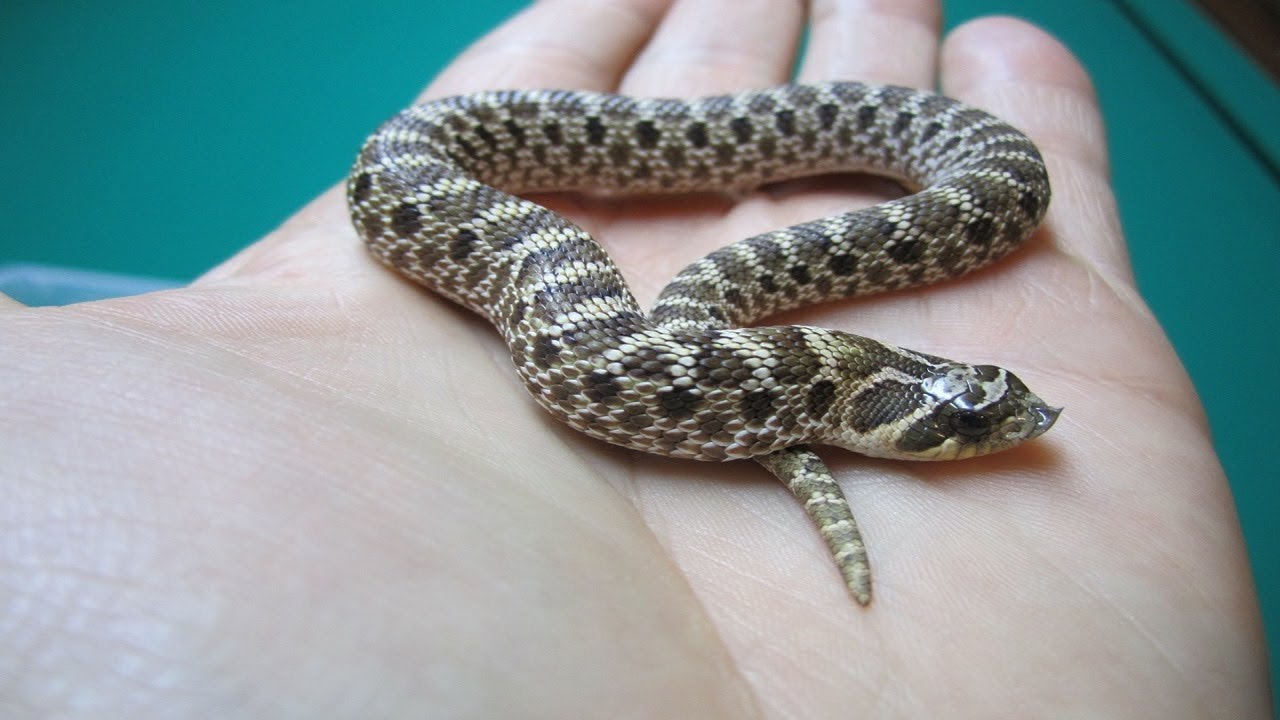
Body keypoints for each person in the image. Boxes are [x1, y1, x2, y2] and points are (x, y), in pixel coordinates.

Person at [1, 1, 1269, 716]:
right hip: (489, 192)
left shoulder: (787, 330)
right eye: (972, 418)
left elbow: (709, 325)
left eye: (976, 412)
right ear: (869, 417)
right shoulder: (700, 339)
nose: (1007, 422)